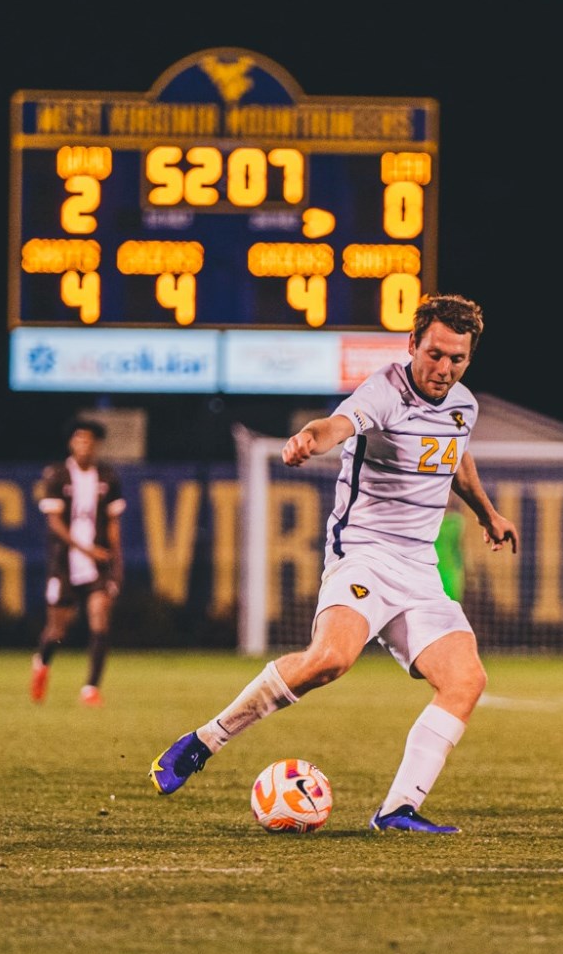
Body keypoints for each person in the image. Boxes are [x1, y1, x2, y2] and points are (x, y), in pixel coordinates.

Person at [147, 294, 519, 833]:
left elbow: (455, 455)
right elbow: (337, 425)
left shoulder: (464, 404)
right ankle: (204, 741)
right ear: (413, 343)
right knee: (330, 660)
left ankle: (397, 810)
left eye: (456, 359)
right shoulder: (385, 390)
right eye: (434, 354)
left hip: (419, 569)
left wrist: (487, 512)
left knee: (466, 680)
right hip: (364, 555)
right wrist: (308, 440)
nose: (443, 369)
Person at [28, 418, 126, 707]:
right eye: (79, 438)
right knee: (57, 630)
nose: (84, 443)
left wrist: (115, 561)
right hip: (65, 564)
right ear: (71, 442)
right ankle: (41, 663)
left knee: (100, 618)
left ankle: (91, 688)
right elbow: (54, 523)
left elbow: (112, 524)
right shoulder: (57, 475)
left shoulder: (108, 477)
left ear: (96, 444)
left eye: (89, 439)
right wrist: (86, 549)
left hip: (99, 565)